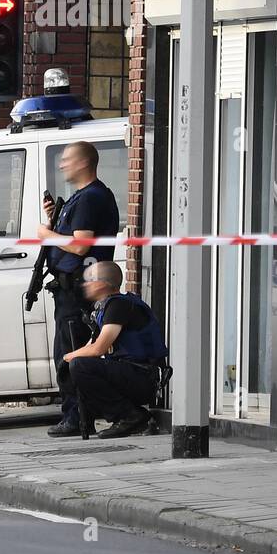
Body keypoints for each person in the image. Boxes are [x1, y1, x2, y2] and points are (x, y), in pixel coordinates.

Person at [37, 140, 120, 437]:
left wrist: (46, 233)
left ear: (84, 162)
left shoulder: (90, 198)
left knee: (71, 354)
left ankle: (76, 417)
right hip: (72, 289)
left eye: (67, 159)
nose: (62, 165)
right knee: (72, 352)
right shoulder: (83, 198)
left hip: (77, 290)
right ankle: (79, 413)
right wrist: (53, 222)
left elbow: (81, 245)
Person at [66, 261, 168, 438]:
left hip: (144, 376)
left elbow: (98, 349)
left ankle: (130, 417)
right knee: (78, 365)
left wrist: (67, 357)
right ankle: (132, 416)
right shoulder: (105, 307)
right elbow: (91, 346)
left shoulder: (118, 306)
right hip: (132, 373)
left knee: (80, 366)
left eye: (90, 279)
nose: (86, 284)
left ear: (103, 283)